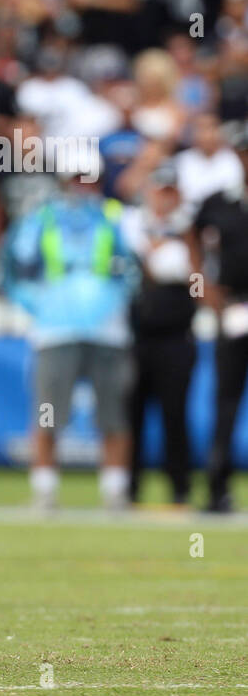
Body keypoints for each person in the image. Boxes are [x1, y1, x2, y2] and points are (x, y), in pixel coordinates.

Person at [4, 167, 137, 510]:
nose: (82, 186)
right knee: (48, 413)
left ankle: (115, 491)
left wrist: (116, 300)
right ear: (65, 181)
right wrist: (34, 302)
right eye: (77, 178)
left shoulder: (116, 216)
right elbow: (14, 265)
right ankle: (45, 490)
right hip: (55, 328)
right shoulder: (42, 218)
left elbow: (136, 266)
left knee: (113, 414)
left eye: (89, 178)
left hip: (108, 330)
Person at [118, 166, 196, 505]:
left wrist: (162, 250)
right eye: (158, 190)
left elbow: (191, 276)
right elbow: (141, 264)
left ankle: (180, 488)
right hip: (137, 334)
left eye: (169, 192)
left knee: (174, 413)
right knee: (131, 413)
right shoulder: (131, 221)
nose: (163, 199)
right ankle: (129, 487)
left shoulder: (190, 229)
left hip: (177, 335)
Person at [194, 160, 248, 513]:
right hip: (236, 306)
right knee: (226, 402)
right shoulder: (219, 202)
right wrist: (203, 286)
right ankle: (218, 490)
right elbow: (190, 238)